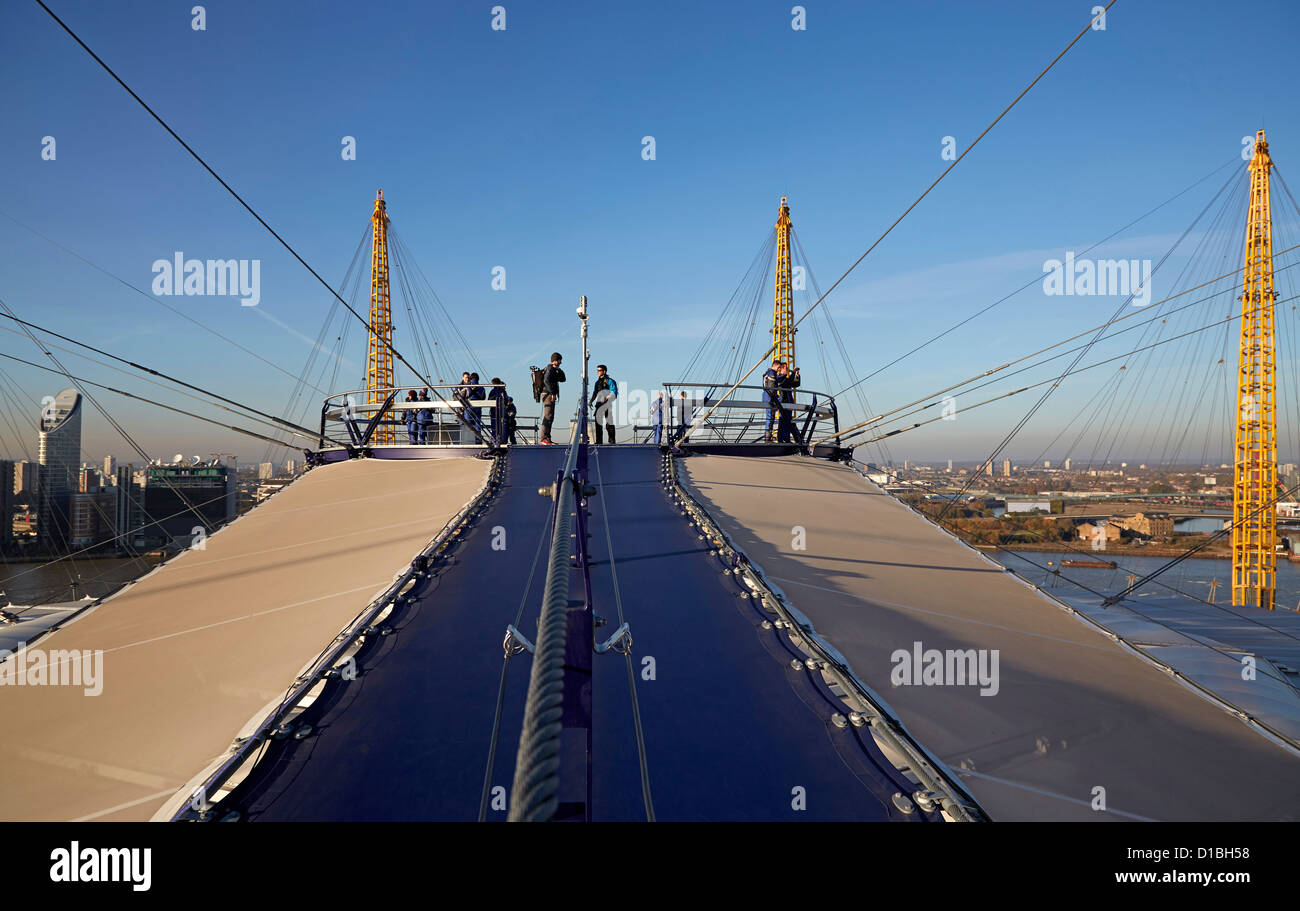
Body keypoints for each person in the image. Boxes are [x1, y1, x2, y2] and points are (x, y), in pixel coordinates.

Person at [539, 353, 565, 445]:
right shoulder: (549, 368)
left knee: (550, 416)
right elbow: (546, 380)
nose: (560, 362)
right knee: (548, 416)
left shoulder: (553, 369)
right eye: (559, 360)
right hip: (548, 394)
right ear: (555, 360)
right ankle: (543, 438)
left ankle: (547, 438)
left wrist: (559, 370)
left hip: (549, 394)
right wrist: (553, 393)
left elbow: (563, 379)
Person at [589, 364, 618, 444]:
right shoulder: (597, 382)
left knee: (609, 422)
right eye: (597, 370)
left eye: (599, 370)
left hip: (607, 404)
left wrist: (607, 397)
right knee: (598, 423)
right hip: (599, 404)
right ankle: (599, 441)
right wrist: (591, 401)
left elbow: (614, 392)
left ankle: (612, 441)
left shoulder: (609, 381)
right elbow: (595, 393)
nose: (598, 372)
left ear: (604, 371)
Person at [775, 362, 801, 443]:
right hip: (784, 402)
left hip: (789, 402)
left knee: (788, 421)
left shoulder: (785, 378)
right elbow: (785, 382)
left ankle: (786, 438)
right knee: (783, 421)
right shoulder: (779, 377)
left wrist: (797, 375)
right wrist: (793, 373)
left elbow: (795, 384)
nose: (787, 370)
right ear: (781, 369)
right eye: (785, 368)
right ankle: (781, 439)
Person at [762, 359, 782, 442]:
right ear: (775, 365)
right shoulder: (772, 374)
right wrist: (776, 398)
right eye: (779, 367)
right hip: (770, 398)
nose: (779, 369)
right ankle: (767, 437)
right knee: (770, 417)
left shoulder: (768, 373)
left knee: (770, 417)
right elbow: (771, 388)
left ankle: (768, 436)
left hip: (767, 397)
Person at [453, 371, 473, 443]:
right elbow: (454, 397)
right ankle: (460, 442)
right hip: (460, 409)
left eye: (468, 377)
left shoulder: (472, 386)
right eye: (466, 377)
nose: (467, 379)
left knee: (468, 425)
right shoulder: (459, 386)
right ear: (463, 377)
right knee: (461, 425)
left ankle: (467, 441)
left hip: (468, 408)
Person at [488, 377, 508, 444]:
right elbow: (506, 400)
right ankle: (502, 440)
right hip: (502, 412)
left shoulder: (492, 391)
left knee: (494, 427)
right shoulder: (503, 391)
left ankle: (494, 440)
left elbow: (489, 400)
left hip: (494, 411)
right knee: (502, 427)